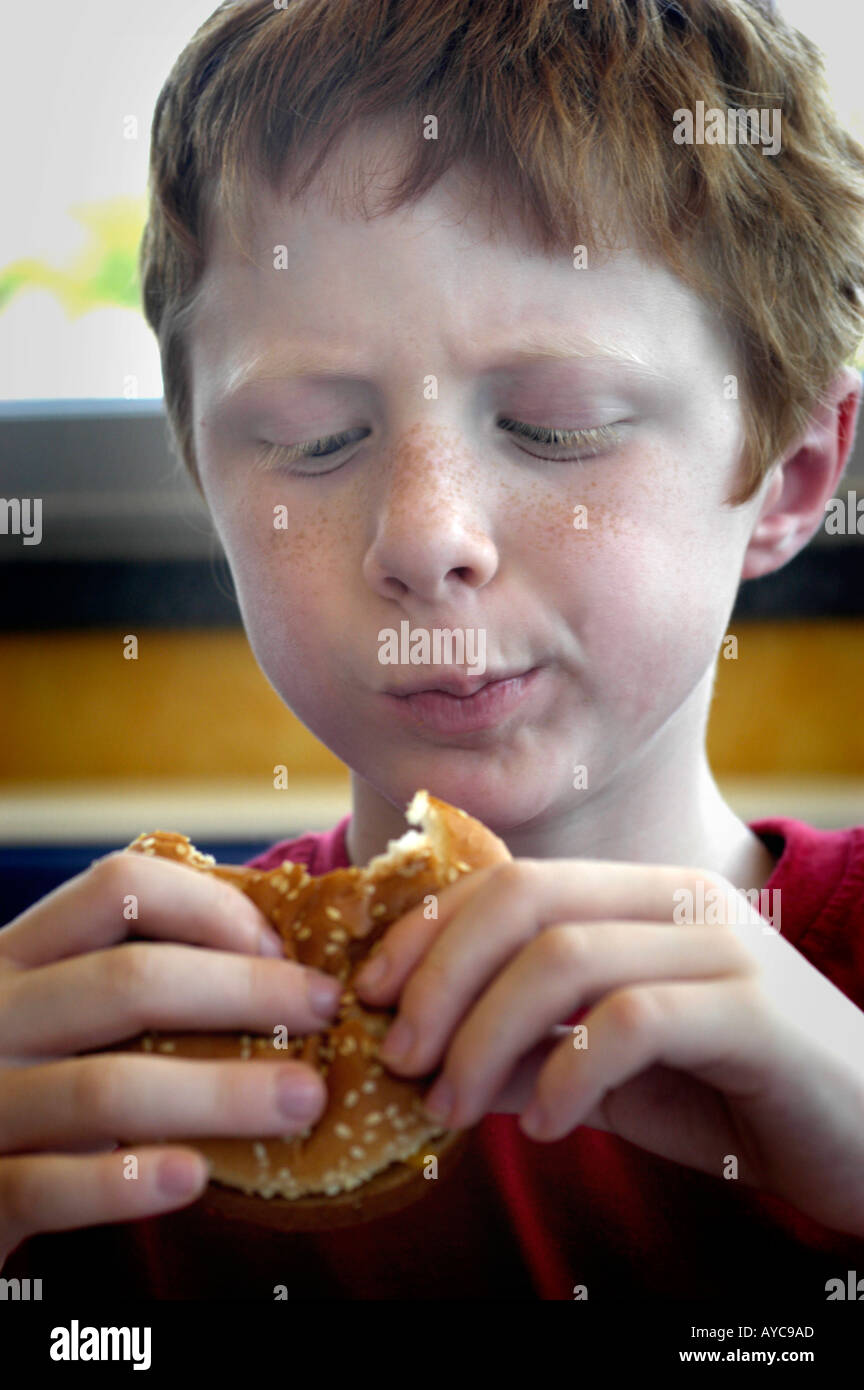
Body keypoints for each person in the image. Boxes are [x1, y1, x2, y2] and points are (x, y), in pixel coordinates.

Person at [3, 0, 864, 1300]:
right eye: (309, 440)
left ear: (792, 475)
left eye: (561, 426)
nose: (425, 537)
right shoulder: (90, 1063)